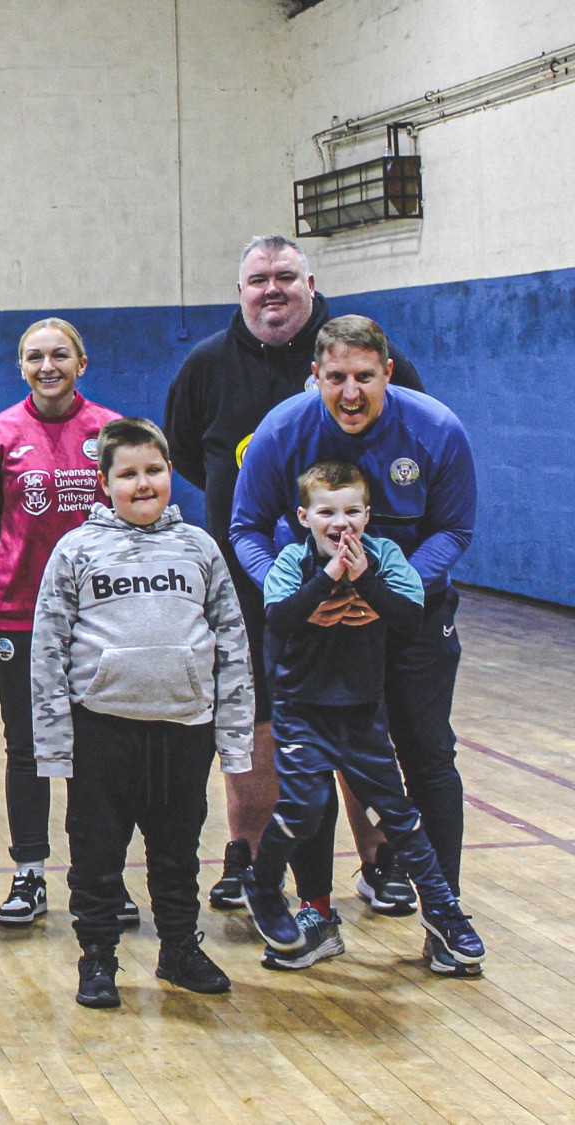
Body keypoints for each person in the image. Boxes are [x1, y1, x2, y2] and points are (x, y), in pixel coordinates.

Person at [165, 235, 425, 913]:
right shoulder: (206, 366)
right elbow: (192, 456)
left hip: (359, 588)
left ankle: (379, 859)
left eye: (286, 276)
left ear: (311, 282)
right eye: (258, 279)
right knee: (256, 726)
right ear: (241, 290)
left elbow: (414, 447)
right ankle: (246, 856)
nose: (272, 289)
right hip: (251, 594)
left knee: (364, 720)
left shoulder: (362, 359)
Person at [230, 314, 479, 975]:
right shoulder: (282, 431)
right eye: (335, 376)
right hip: (316, 629)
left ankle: (444, 915)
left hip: (408, 616)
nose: (349, 390)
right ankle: (315, 912)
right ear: (315, 375)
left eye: (364, 376)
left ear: (387, 374)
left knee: (427, 756)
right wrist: (294, 593)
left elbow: (453, 528)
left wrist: (389, 593)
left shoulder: (437, 430)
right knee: (308, 769)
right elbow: (247, 527)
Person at [31, 418, 252, 1009]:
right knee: (97, 854)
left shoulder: (201, 548)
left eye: (154, 470)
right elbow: (48, 647)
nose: (143, 483)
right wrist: (53, 743)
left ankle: (179, 948)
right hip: (103, 730)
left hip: (184, 730)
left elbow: (231, 641)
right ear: (104, 482)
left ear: (171, 473)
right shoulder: (76, 550)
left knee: (178, 853)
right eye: (127, 474)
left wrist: (233, 739)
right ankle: (98, 957)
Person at [0, 318, 125, 928]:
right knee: (26, 747)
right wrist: (18, 568)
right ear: (21, 366)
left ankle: (103, 874)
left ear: (81, 363)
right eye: (35, 357)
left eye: (60, 355)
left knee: (102, 746)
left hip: (102, 615)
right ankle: (29, 872)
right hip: (19, 612)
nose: (47, 366)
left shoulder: (112, 431)